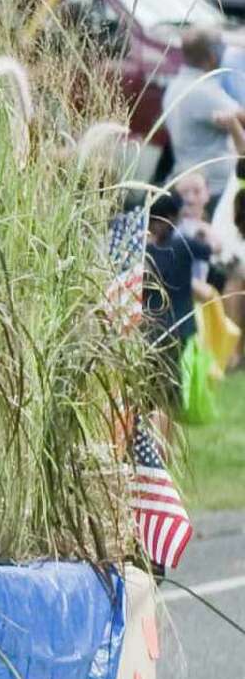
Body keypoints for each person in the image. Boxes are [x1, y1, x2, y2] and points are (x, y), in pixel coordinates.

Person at [159, 27, 245, 211]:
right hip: (213, 188)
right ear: (212, 56)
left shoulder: (177, 85)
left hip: (191, 179)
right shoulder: (203, 91)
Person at [145, 190, 200, 410]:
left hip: (154, 323)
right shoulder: (184, 244)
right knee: (173, 373)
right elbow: (208, 250)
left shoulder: (148, 252)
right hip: (182, 322)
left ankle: (160, 411)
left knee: (156, 377)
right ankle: (171, 410)